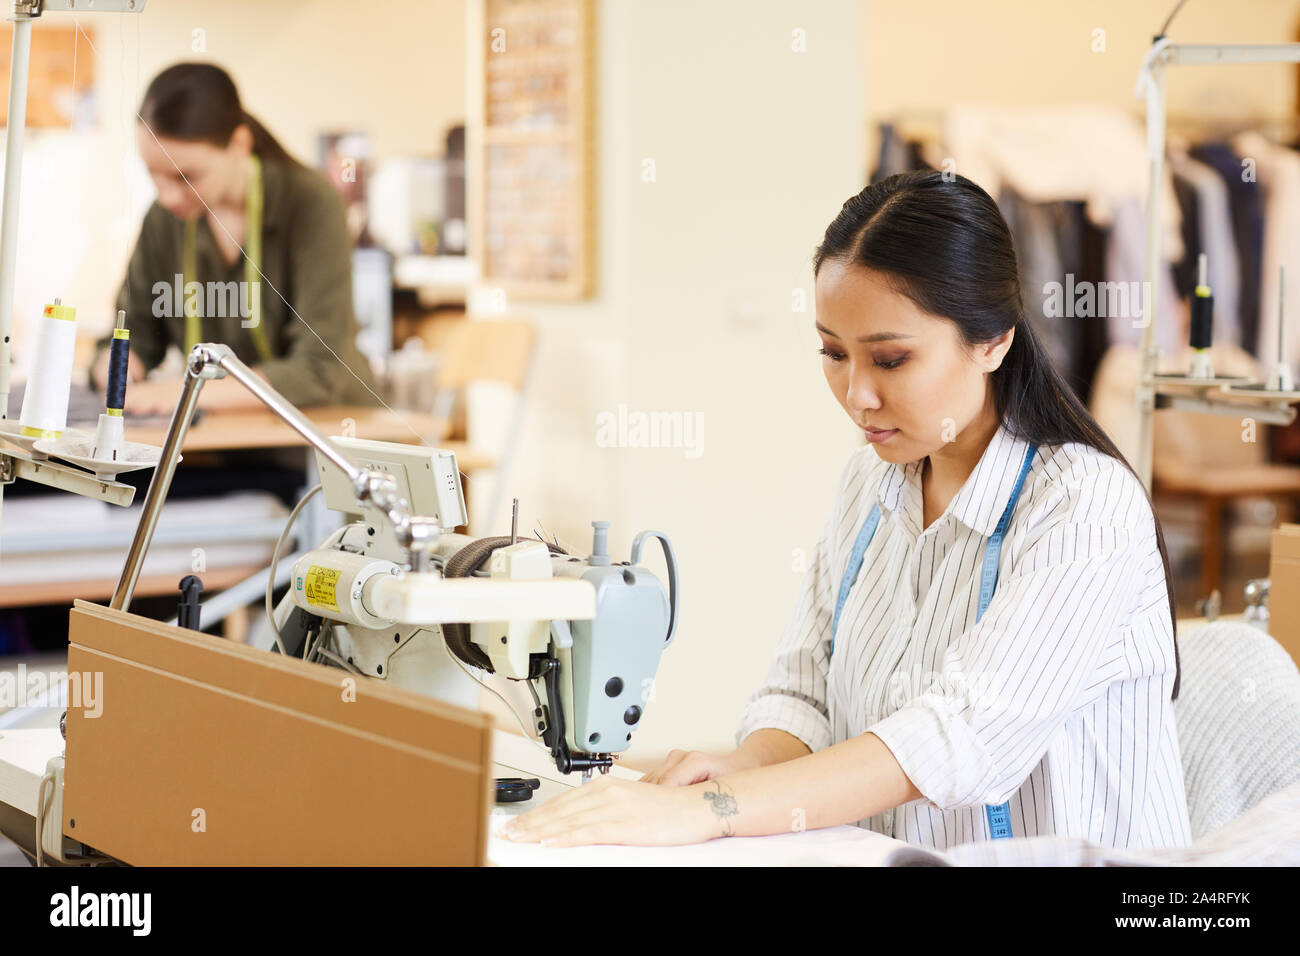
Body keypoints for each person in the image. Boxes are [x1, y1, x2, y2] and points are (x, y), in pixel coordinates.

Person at [500, 171, 1192, 850]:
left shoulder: (1083, 506)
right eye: (832, 352)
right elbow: (803, 688)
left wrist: (718, 808)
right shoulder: (872, 481)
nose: (856, 394)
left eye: (890, 360)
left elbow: (962, 736)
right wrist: (746, 765)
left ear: (994, 340)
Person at [90, 62, 379, 413]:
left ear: (239, 144)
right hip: (224, 441)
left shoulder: (311, 203)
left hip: (326, 437)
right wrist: (116, 363)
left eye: (186, 177)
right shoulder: (162, 219)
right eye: (154, 175)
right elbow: (132, 330)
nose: (167, 196)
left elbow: (318, 370)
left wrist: (189, 393)